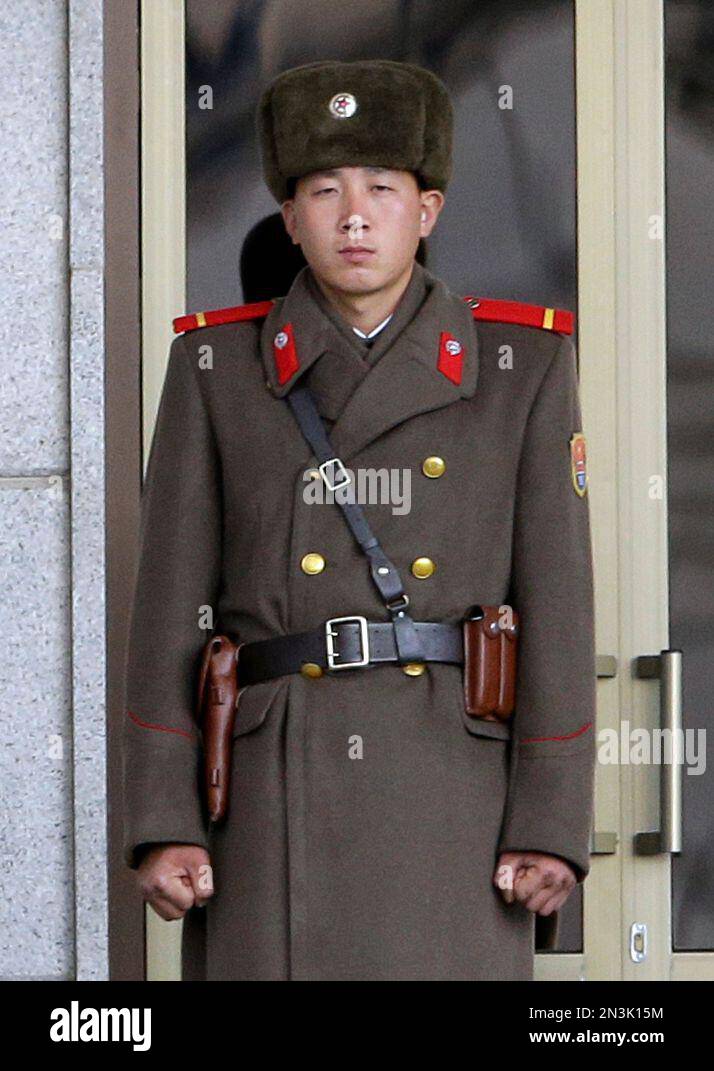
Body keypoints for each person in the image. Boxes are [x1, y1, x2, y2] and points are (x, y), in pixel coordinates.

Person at [123, 59, 597, 981]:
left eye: (382, 188)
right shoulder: (217, 371)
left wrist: (550, 823)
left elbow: (559, 606)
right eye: (323, 191)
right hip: (271, 802)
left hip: (454, 803)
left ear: (427, 211)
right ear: (289, 218)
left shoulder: (521, 370)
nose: (353, 216)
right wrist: (162, 819)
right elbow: (168, 613)